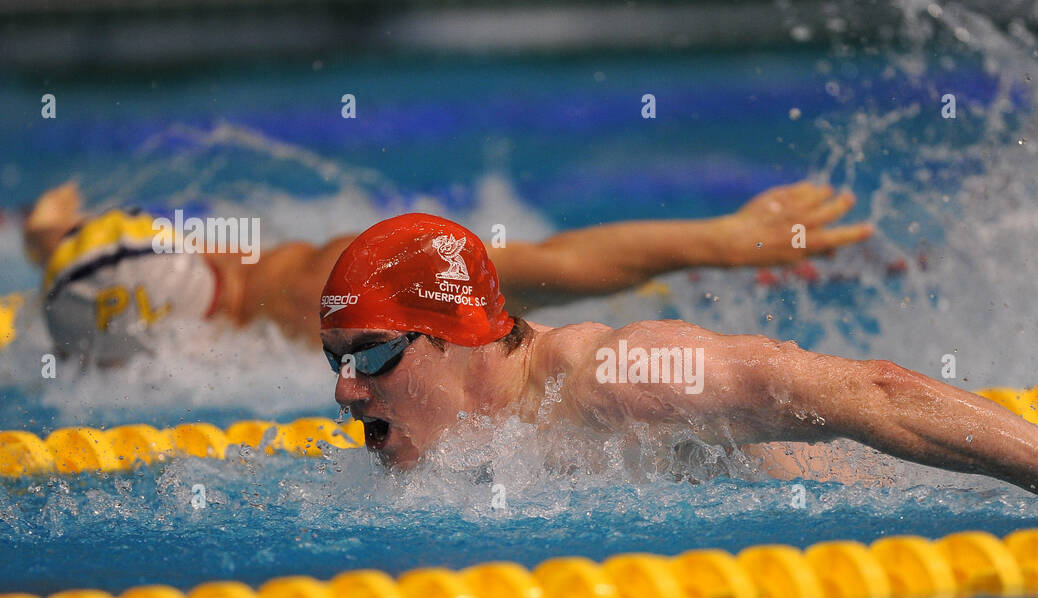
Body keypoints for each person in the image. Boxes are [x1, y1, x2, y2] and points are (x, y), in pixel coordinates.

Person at [321, 213, 1038, 509]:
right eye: (337, 356)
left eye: (372, 354)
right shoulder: (459, 442)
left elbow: (864, 391)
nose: (344, 387)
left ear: (458, 335)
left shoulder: (620, 380)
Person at [21, 180, 870, 365]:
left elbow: (77, 267)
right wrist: (725, 238)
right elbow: (556, 262)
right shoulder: (320, 280)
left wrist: (48, 233)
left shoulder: (153, 333)